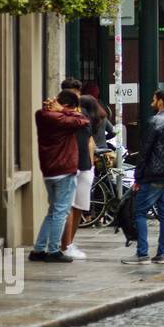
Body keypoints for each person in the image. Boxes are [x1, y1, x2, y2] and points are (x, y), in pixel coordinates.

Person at [122, 88, 164, 265]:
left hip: (153, 176)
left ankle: (142, 253)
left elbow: (145, 152)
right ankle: (161, 253)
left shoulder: (155, 121)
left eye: (154, 99)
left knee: (140, 212)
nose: (152, 102)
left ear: (160, 101)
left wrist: (138, 178)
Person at [29, 89, 92, 263]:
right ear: (67, 106)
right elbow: (84, 121)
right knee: (61, 212)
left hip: (49, 171)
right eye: (72, 109)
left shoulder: (42, 115)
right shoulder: (63, 119)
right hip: (64, 170)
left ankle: (39, 249)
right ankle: (54, 249)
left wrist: (57, 108)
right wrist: (64, 110)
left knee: (52, 211)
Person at [61, 92, 105, 261]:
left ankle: (66, 245)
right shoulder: (92, 121)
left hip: (75, 167)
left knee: (69, 206)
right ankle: (69, 243)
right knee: (78, 206)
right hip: (86, 167)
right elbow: (90, 144)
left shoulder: (80, 119)